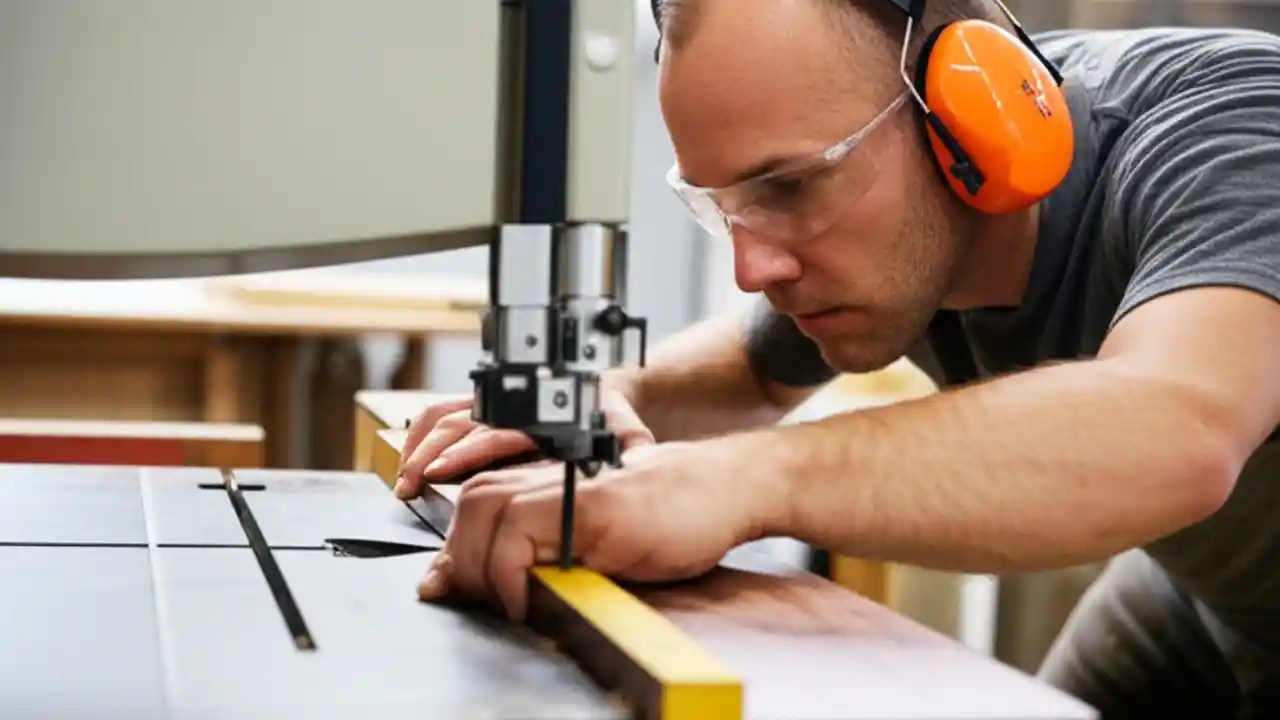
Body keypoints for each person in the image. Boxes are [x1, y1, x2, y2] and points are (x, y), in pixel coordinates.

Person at [396, 0, 1280, 714]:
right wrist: (604, 400)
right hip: (1206, 606)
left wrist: (730, 485)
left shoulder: (1233, 131)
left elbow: (1178, 426)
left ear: (966, 115)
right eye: (728, 207)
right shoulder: (901, 237)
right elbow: (749, 371)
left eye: (789, 186)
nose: (753, 268)